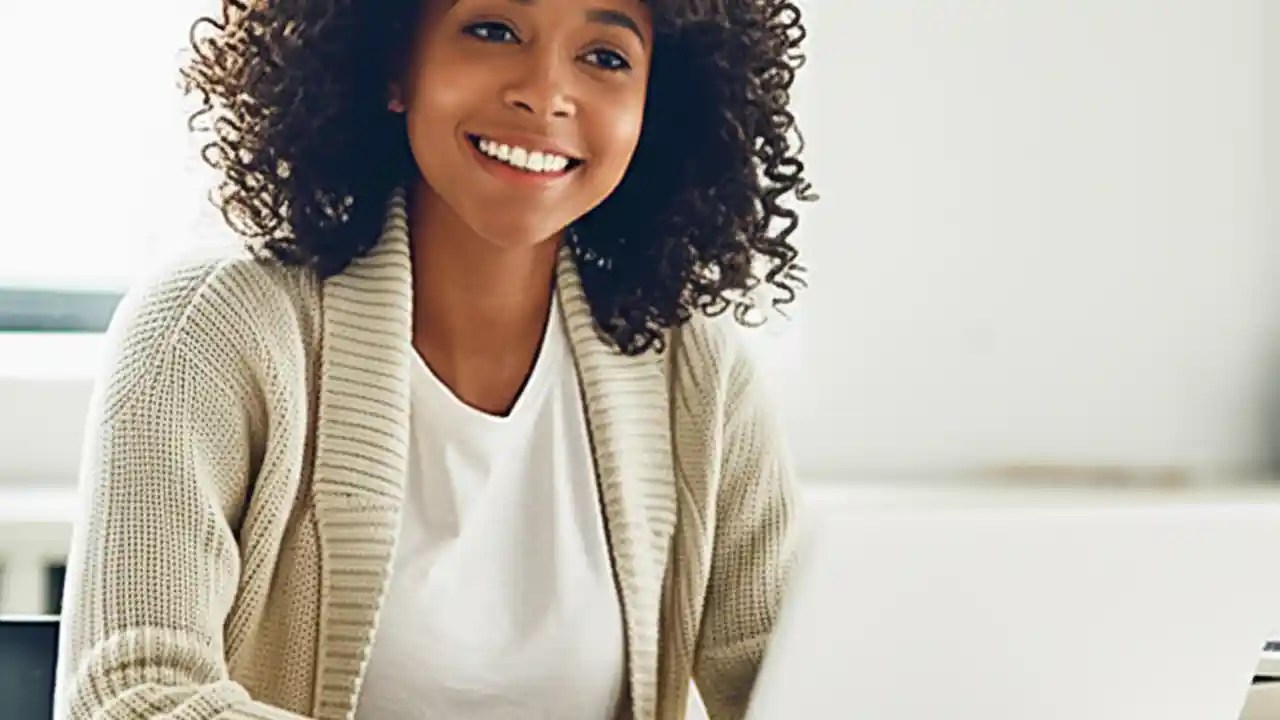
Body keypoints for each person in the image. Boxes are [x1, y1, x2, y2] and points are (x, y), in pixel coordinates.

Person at [52, 0, 814, 717]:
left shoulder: (699, 376)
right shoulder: (211, 330)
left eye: (605, 55)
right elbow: (129, 693)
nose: (545, 93)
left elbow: (798, 682)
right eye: (492, 30)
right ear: (392, 62)